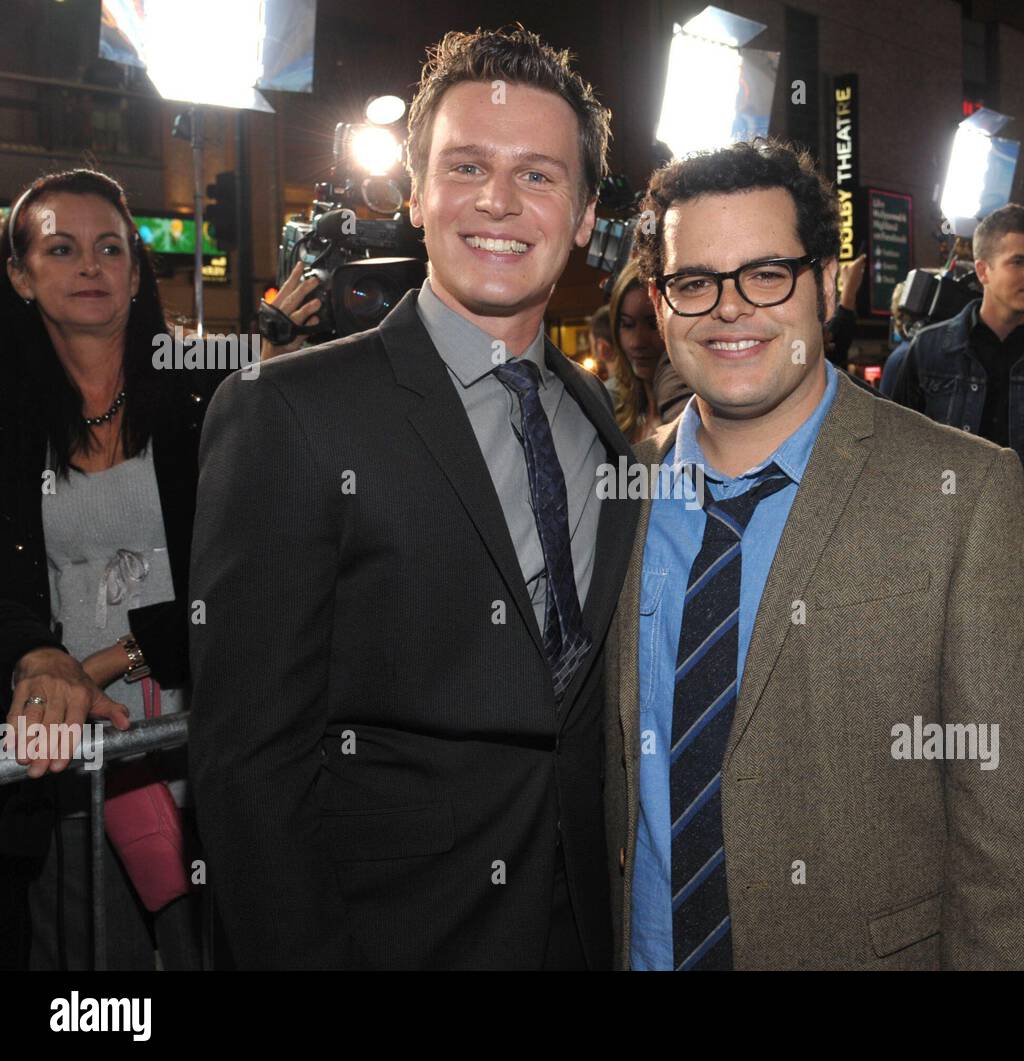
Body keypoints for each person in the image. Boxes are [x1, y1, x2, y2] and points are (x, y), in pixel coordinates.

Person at [188, 26, 639, 970]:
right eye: (467, 165)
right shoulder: (288, 413)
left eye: (541, 175)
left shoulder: (595, 415)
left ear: (586, 207)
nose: (499, 202)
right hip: (390, 938)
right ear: (418, 192)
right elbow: (248, 769)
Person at [604, 139, 1024, 971]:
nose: (730, 308)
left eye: (766, 273)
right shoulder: (611, 498)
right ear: (659, 300)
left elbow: (1014, 852)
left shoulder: (962, 495)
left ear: (825, 283)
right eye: (695, 281)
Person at [0, 168, 222, 970]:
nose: (91, 265)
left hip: (197, 717)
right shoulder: (13, 419)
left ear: (135, 270)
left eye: (109, 248)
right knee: (97, 974)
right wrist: (41, 661)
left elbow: (238, 575)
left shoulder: (211, 394)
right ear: (22, 276)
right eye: (61, 249)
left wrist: (116, 657)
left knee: (210, 944)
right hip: (66, 744)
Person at [894, 204, 1024, 528]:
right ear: (983, 271)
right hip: (948, 541)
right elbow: (897, 453)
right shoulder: (932, 349)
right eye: (1019, 261)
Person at [608, 261, 667, 441]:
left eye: (652, 325)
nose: (637, 342)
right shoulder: (611, 412)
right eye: (627, 324)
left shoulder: (698, 418)